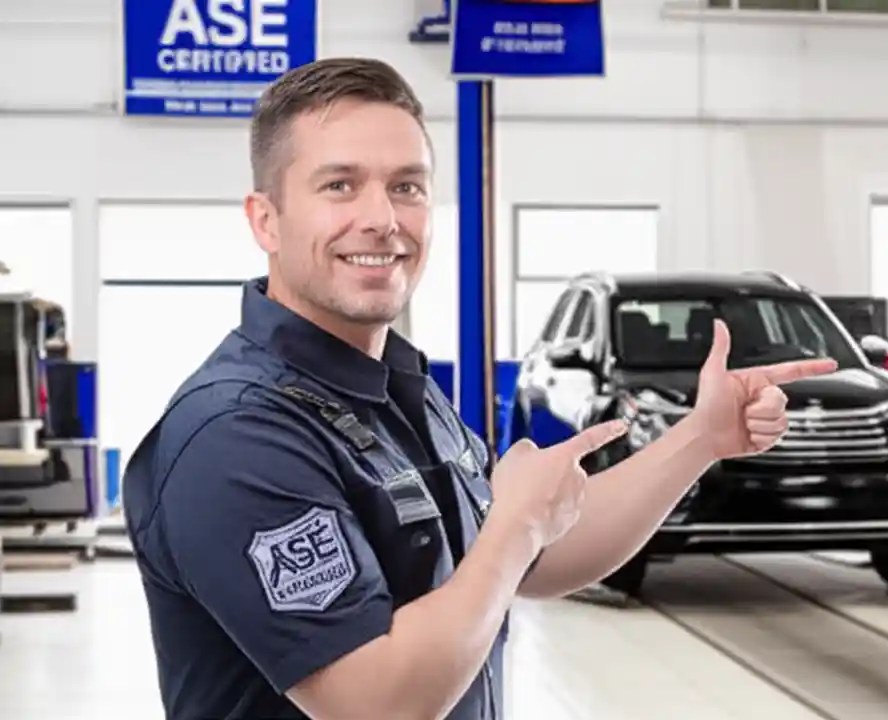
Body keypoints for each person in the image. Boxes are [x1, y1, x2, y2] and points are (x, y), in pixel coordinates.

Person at [122, 57, 837, 720]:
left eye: (407, 186)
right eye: (339, 185)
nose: (382, 218)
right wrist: (515, 526)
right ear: (266, 220)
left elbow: (535, 557)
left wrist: (700, 438)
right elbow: (376, 704)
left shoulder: (400, 393)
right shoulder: (236, 435)